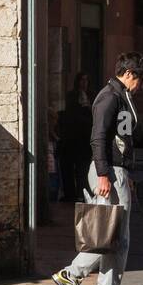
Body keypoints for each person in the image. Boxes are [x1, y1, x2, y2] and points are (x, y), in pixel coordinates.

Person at [52, 52, 143, 285]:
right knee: (118, 237)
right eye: (140, 80)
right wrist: (105, 175)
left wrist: (126, 176)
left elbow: (124, 141)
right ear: (129, 74)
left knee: (110, 234)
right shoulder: (109, 97)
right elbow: (98, 139)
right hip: (109, 171)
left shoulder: (120, 96)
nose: (141, 86)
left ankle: (76, 278)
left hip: (118, 172)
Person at [57, 72, 93, 203]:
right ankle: (70, 194)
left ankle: (81, 193)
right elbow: (69, 114)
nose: (84, 83)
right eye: (82, 80)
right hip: (71, 137)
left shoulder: (90, 96)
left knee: (82, 168)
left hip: (84, 138)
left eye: (86, 80)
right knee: (68, 168)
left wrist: (89, 107)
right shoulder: (71, 96)